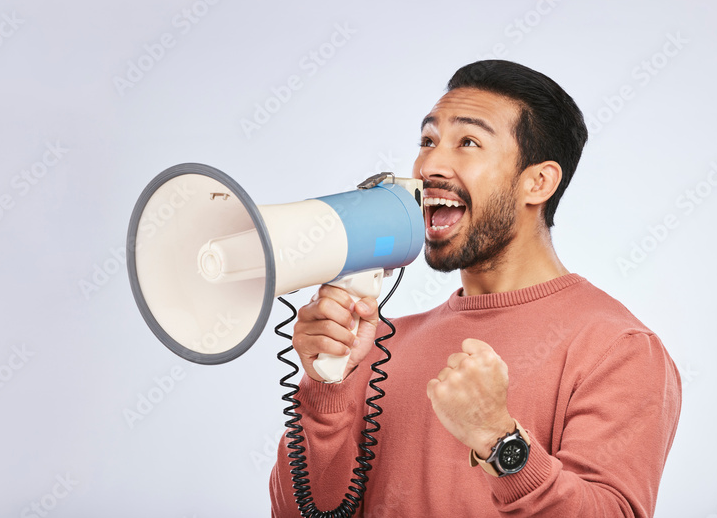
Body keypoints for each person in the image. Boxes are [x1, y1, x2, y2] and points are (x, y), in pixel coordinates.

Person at [269, 60, 682, 517]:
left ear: (537, 182)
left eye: (468, 142)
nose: (429, 165)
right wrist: (328, 385)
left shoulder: (619, 349)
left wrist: (497, 438)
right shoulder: (379, 346)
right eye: (427, 141)